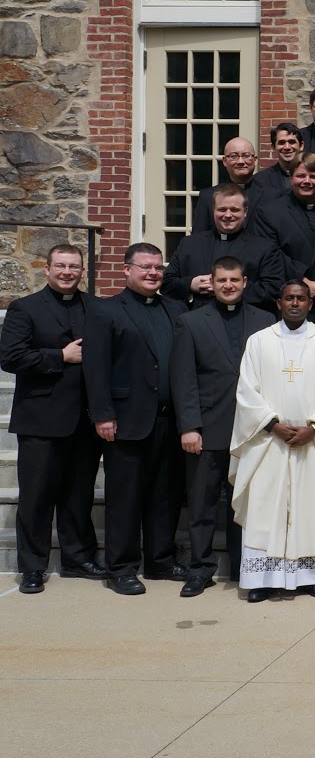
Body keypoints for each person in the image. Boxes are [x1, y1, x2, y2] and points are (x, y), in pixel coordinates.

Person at [229, 281, 315, 603]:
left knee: (312, 508)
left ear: (310, 303)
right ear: (278, 303)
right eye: (289, 298)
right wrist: (272, 424)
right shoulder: (259, 342)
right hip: (268, 442)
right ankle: (261, 579)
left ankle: (312, 577)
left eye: (301, 298)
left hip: (313, 443)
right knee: (265, 507)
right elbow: (246, 390)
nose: (295, 303)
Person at [1, 244, 106, 593]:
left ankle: (78, 559)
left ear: (82, 271)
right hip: (41, 419)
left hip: (85, 418)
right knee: (37, 497)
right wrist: (60, 356)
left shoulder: (96, 307)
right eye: (60, 266)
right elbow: (11, 357)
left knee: (78, 495)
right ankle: (33, 567)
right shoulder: (25, 308)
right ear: (46, 269)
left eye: (73, 266)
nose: (67, 272)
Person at [85, 243, 188, 595]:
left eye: (158, 267)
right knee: (125, 498)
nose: (153, 273)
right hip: (126, 420)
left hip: (169, 421)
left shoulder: (175, 308)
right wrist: (103, 414)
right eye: (145, 267)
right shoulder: (105, 310)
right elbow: (95, 367)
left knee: (165, 496)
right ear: (126, 270)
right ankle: (121, 567)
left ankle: (160, 560)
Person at [170, 257, 274, 596]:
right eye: (221, 280)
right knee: (202, 504)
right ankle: (200, 568)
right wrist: (189, 427)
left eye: (234, 280)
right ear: (211, 284)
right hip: (208, 427)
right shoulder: (190, 322)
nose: (228, 285)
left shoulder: (265, 320)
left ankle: (245, 568)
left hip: (252, 429)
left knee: (246, 504)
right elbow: (183, 379)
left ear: (245, 282)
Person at [254, 154, 315, 330]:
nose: (307, 181)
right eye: (301, 176)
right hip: (289, 302)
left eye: (313, 176)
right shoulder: (269, 211)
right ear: (291, 177)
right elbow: (271, 255)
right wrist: (303, 281)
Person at [162, 185, 286, 311]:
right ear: (213, 210)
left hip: (244, 317)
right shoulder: (189, 244)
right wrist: (190, 284)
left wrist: (228, 290)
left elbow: (273, 288)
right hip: (196, 317)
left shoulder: (264, 248)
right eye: (222, 209)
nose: (228, 215)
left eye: (234, 210)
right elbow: (166, 283)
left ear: (245, 212)